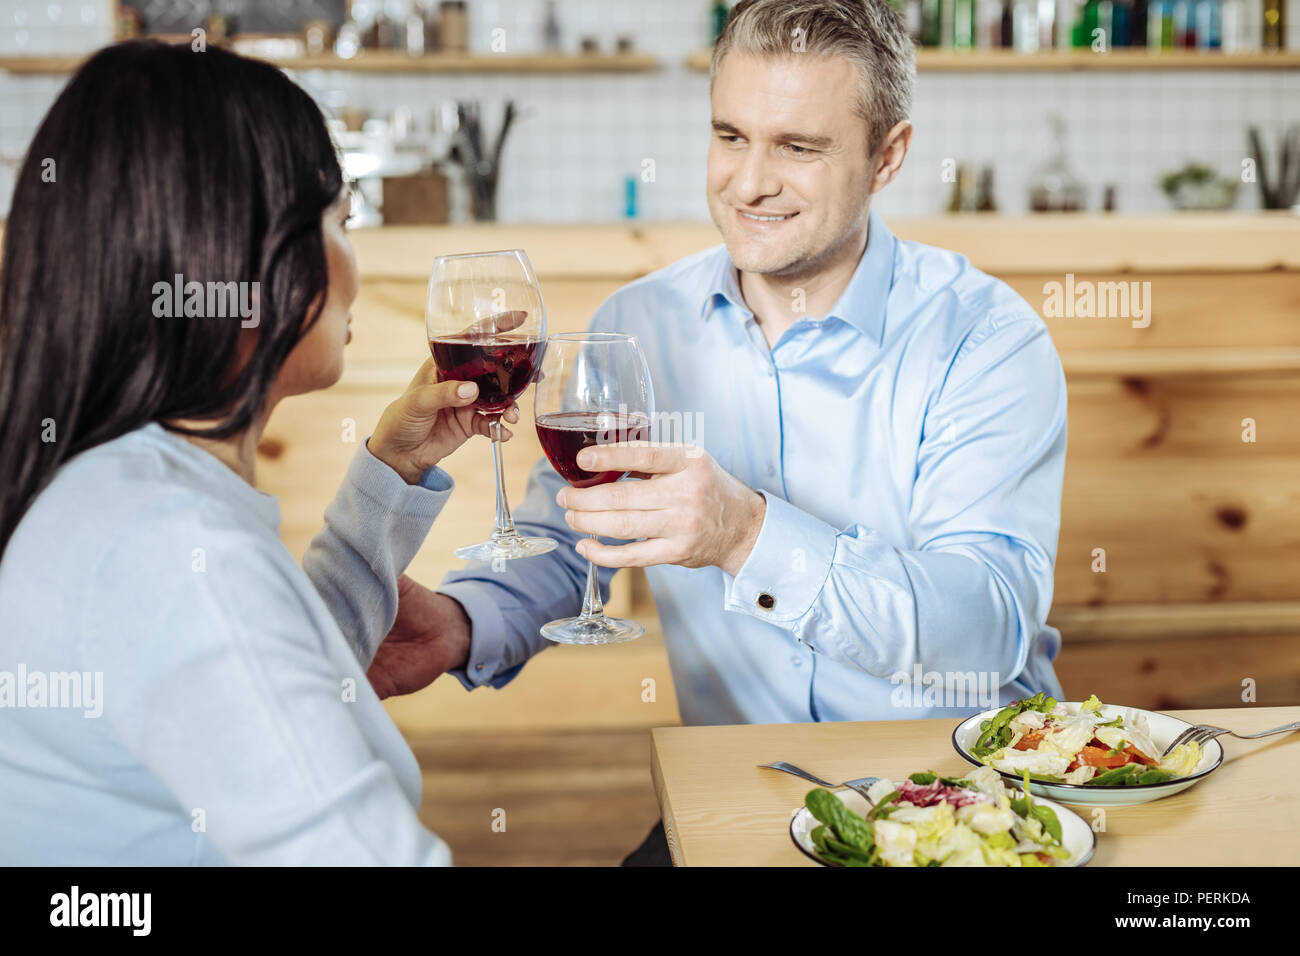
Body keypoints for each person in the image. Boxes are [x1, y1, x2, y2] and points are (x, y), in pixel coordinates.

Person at [369, 0, 1070, 866]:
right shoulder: (641, 322)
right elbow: (572, 533)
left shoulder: (985, 340)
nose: (749, 183)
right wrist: (464, 622)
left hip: (960, 805)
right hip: (753, 796)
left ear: (888, 156)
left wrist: (744, 533)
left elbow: (987, 625)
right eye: (731, 136)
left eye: (798, 147)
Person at [0, 41, 515, 864]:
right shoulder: (163, 545)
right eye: (340, 222)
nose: (355, 259)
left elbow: (265, 696)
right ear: (242, 260)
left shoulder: (122, 494)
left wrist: (392, 469)